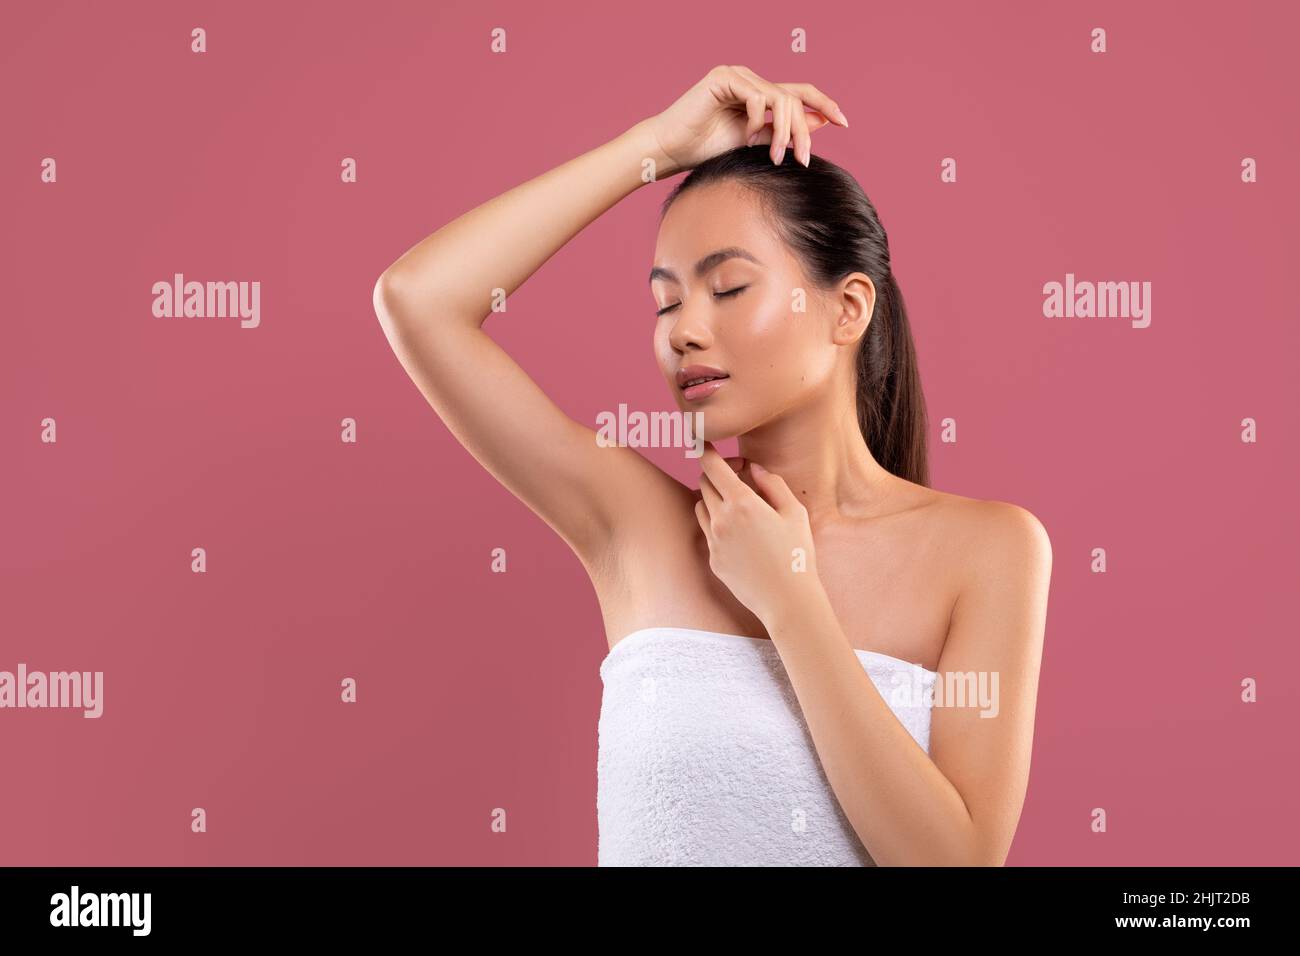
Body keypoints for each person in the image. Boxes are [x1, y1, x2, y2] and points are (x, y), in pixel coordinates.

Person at [373, 65, 1051, 866]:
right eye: (665, 301)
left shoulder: (990, 550)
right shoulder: (633, 524)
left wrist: (792, 604)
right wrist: (653, 146)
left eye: (728, 288)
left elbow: (956, 862)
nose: (683, 331)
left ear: (847, 309)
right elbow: (419, 300)